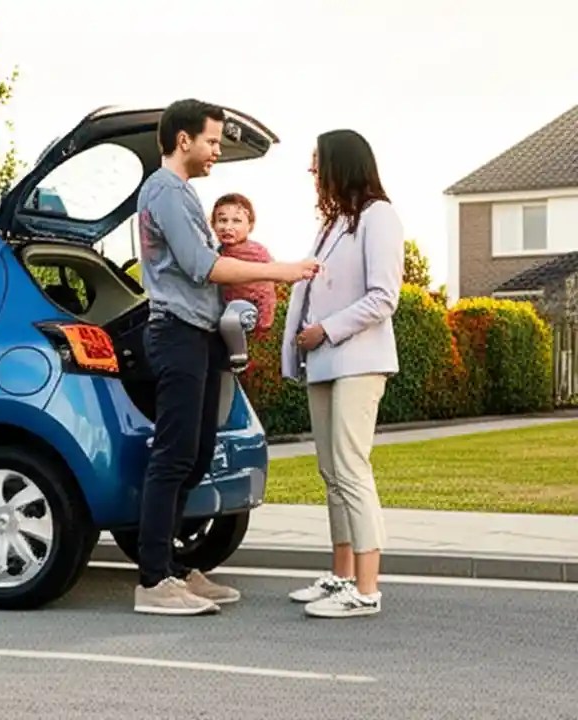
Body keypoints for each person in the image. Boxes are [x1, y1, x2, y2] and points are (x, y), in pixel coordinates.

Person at [134, 99, 319, 616]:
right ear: (183, 140)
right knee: (172, 455)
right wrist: (277, 271)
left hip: (200, 336)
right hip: (177, 333)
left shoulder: (184, 193)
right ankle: (153, 582)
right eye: (212, 141)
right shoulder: (166, 191)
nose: (217, 150)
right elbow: (200, 265)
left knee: (195, 455)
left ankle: (173, 569)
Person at [280, 129, 404, 619]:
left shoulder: (380, 217)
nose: (312, 171)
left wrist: (325, 331)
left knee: (351, 467)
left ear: (341, 164)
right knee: (331, 472)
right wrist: (300, 351)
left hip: (358, 359)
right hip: (324, 361)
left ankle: (367, 590)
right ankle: (342, 575)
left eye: (318, 162)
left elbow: (383, 297)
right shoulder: (333, 224)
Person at [212, 193, 276, 337]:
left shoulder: (257, 253)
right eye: (222, 220)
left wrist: (264, 321)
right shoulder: (213, 254)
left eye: (236, 221)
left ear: (250, 226)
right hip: (219, 319)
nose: (228, 227)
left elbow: (266, 289)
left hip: (249, 316)